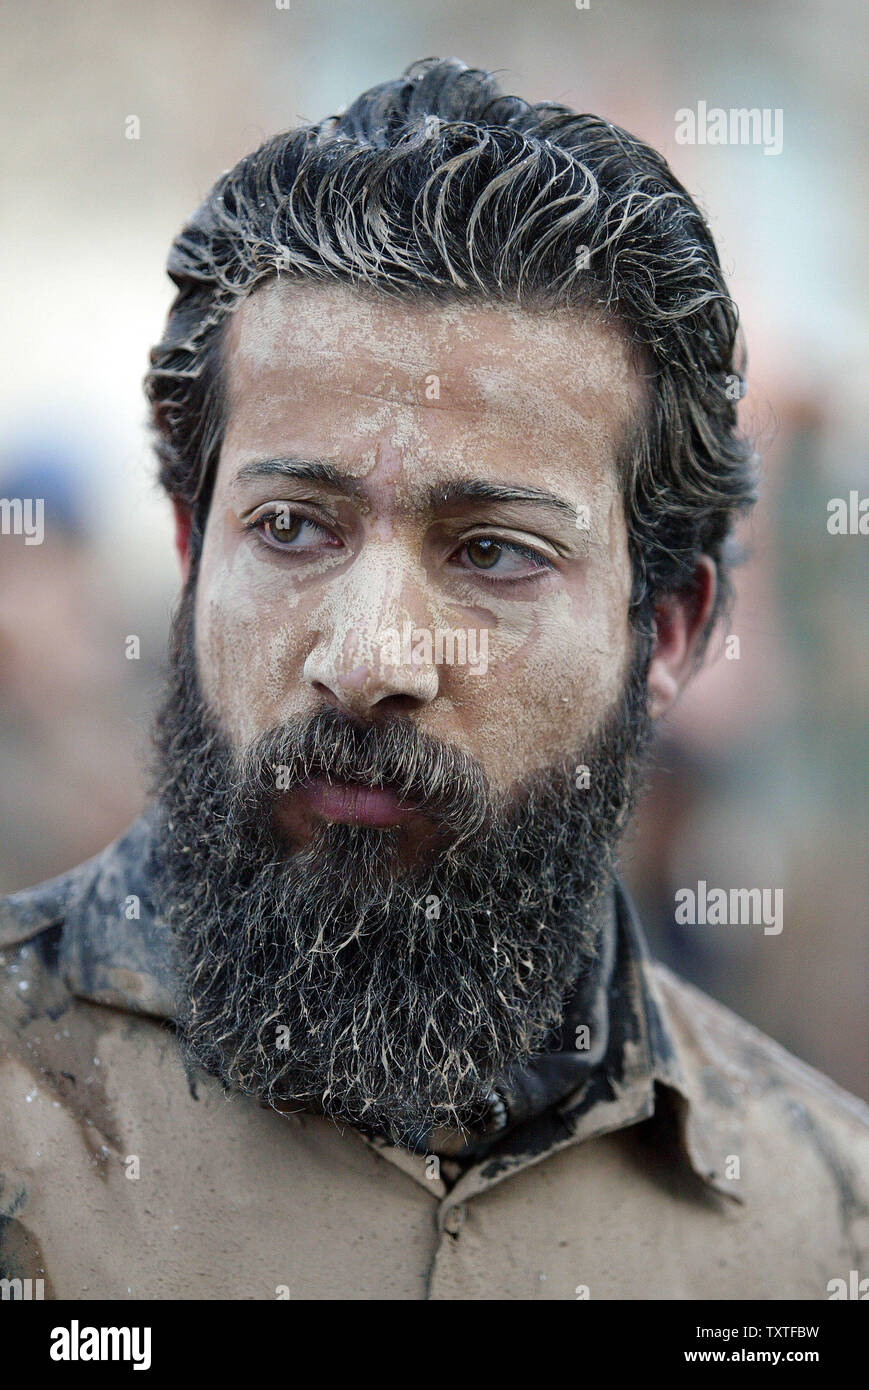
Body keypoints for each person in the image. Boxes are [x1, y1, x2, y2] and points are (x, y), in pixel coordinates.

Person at [1, 58, 865, 1301]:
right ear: (191, 558)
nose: (365, 662)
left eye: (492, 553)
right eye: (292, 528)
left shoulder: (816, 1244)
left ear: (667, 632)